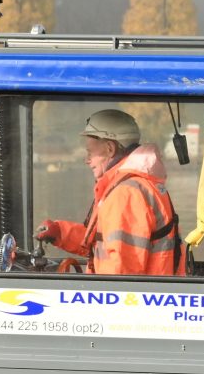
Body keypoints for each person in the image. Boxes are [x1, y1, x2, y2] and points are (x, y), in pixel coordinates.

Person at [35, 109, 186, 275]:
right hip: (149, 290)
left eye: (90, 152)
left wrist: (94, 289)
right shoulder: (136, 185)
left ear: (109, 149)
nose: (87, 160)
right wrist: (61, 233)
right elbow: (103, 242)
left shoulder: (125, 194)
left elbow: (121, 271)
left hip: (125, 292)